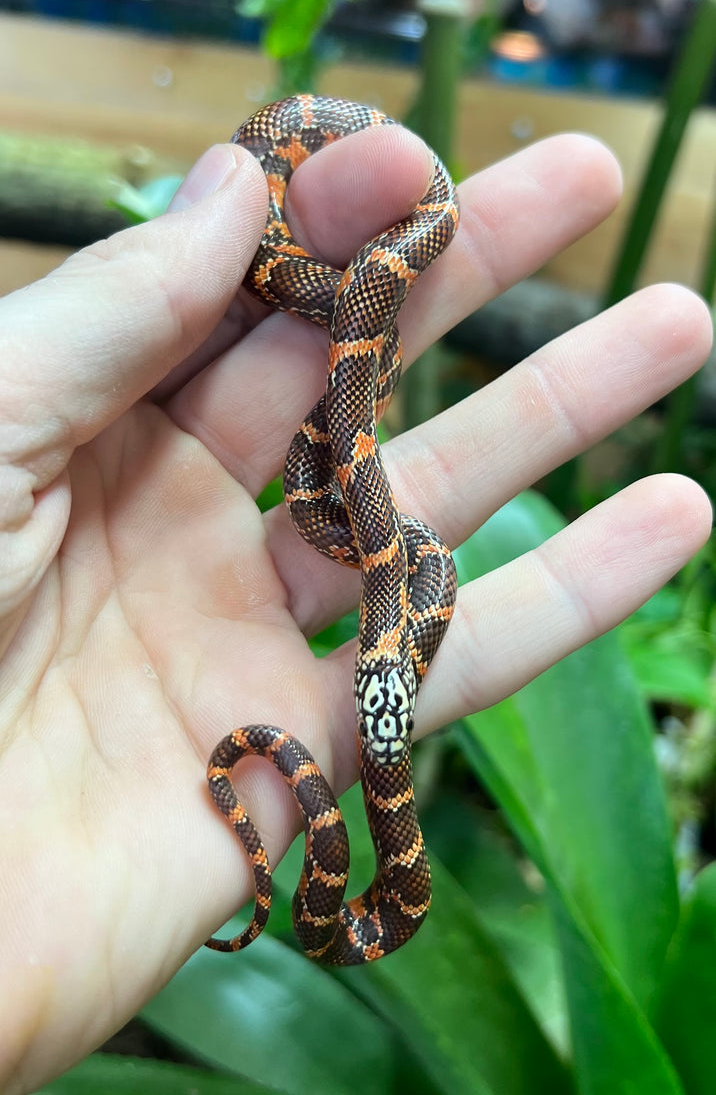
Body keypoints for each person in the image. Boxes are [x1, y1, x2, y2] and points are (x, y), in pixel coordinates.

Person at [0, 123, 711, 1094]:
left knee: (401, 586)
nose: (390, 716)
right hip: (367, 516)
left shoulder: (392, 573)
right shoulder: (385, 556)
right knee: (400, 571)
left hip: (372, 545)